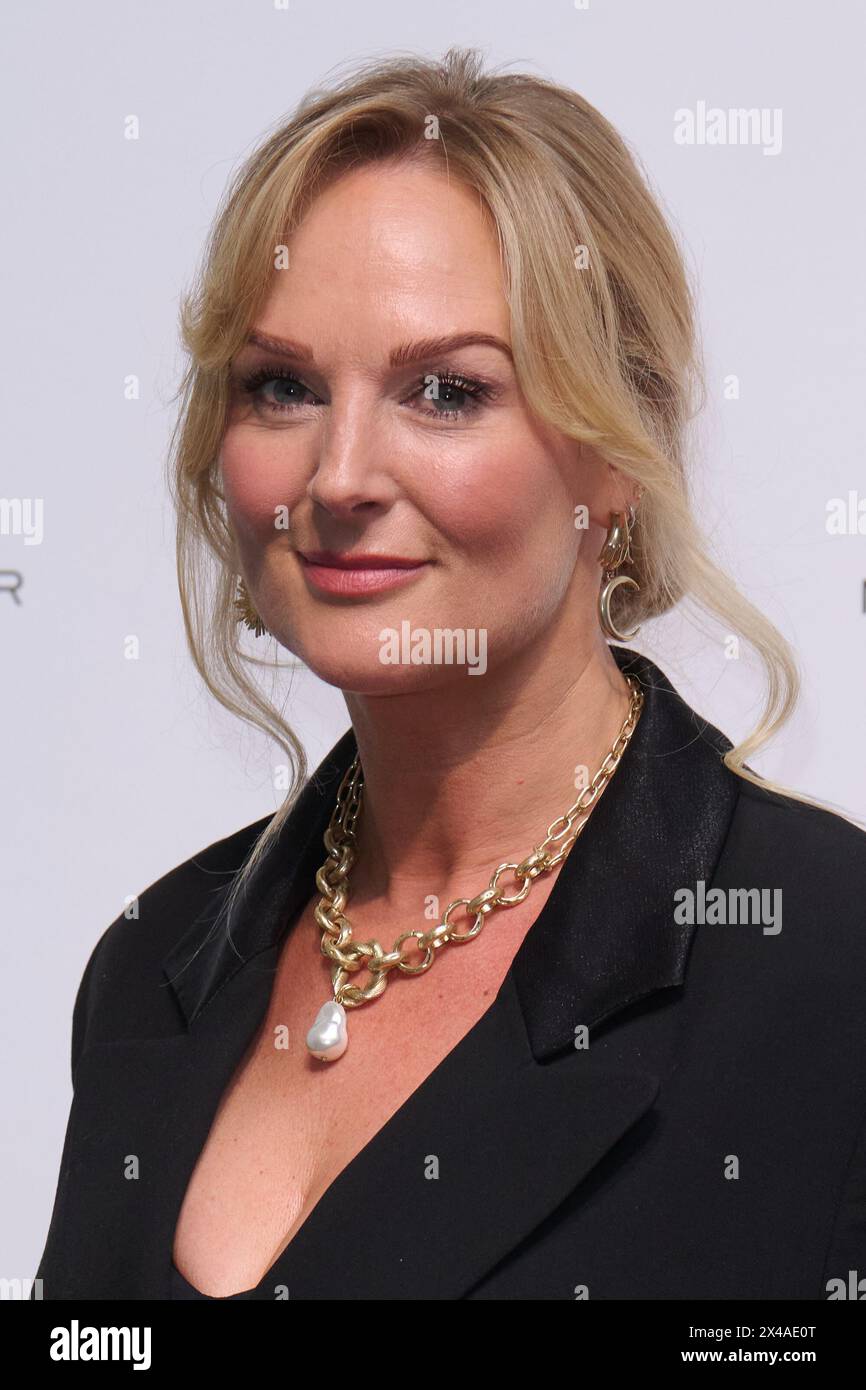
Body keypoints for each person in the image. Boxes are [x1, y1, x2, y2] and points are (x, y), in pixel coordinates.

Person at [33, 48, 866, 1301]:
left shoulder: (824, 968)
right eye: (283, 387)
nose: (338, 476)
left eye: (442, 390)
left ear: (615, 450)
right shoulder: (149, 970)